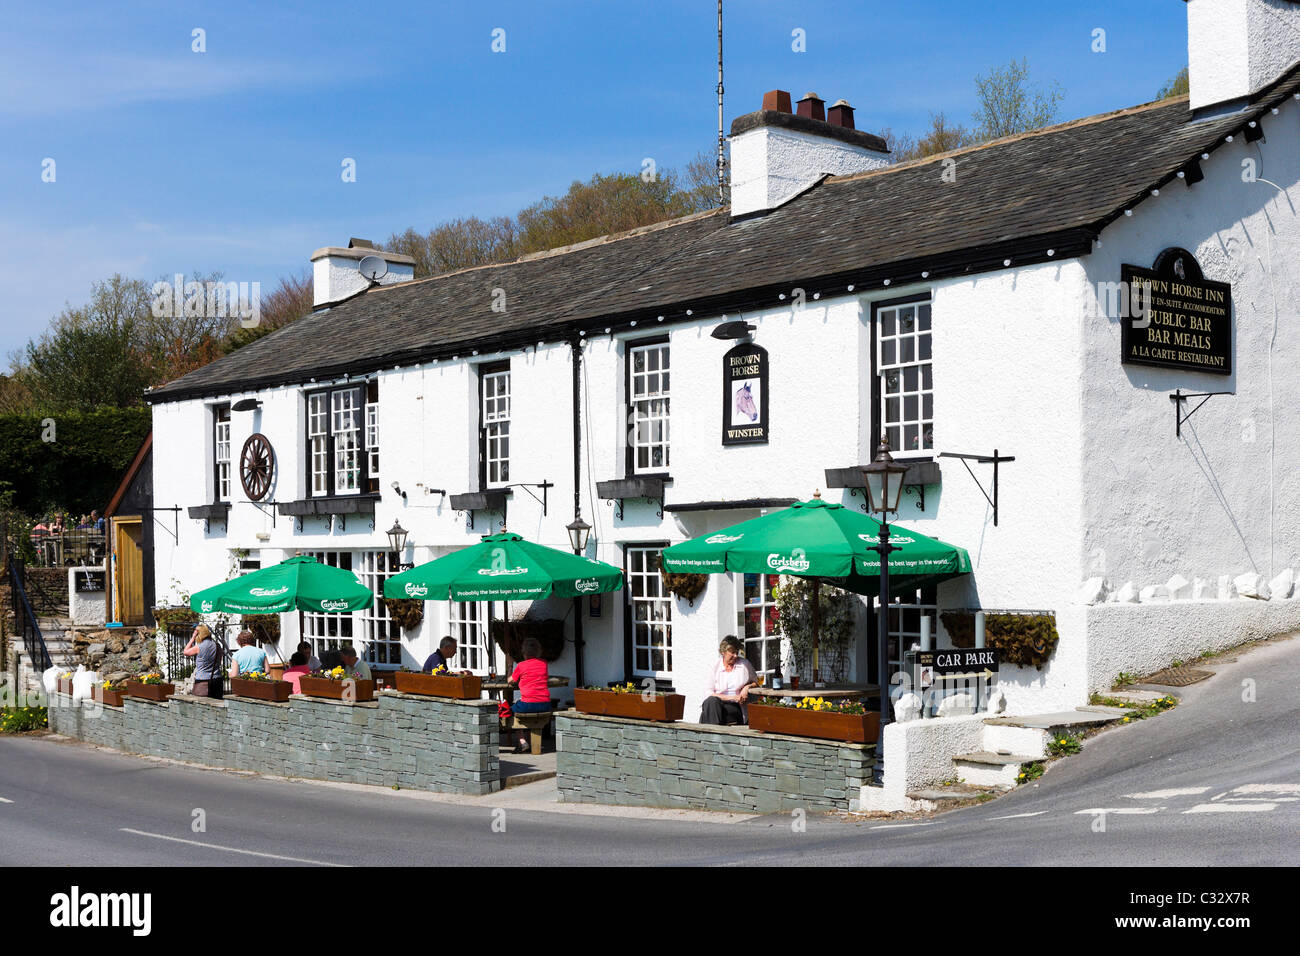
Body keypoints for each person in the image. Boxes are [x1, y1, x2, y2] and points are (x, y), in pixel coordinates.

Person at [700, 635, 758, 725]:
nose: (735, 656)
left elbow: (756, 682)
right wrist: (733, 697)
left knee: (707, 713)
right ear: (723, 652)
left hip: (735, 707)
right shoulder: (714, 666)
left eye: (737, 652)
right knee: (711, 702)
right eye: (732, 652)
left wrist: (747, 687)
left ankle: (711, 732)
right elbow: (708, 693)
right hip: (717, 704)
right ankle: (714, 731)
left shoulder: (744, 665)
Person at [507, 638, 551, 754]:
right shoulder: (544, 663)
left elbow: (510, 681)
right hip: (545, 704)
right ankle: (530, 741)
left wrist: (510, 666)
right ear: (539, 651)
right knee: (526, 712)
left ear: (524, 652)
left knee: (509, 711)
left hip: (528, 704)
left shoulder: (521, 665)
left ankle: (522, 741)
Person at [183, 624, 224, 699]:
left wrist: (192, 638)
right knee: (218, 703)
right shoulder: (217, 645)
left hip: (202, 680)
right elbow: (220, 660)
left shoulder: (199, 647)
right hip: (217, 679)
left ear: (198, 634)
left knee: (201, 703)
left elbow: (185, 652)